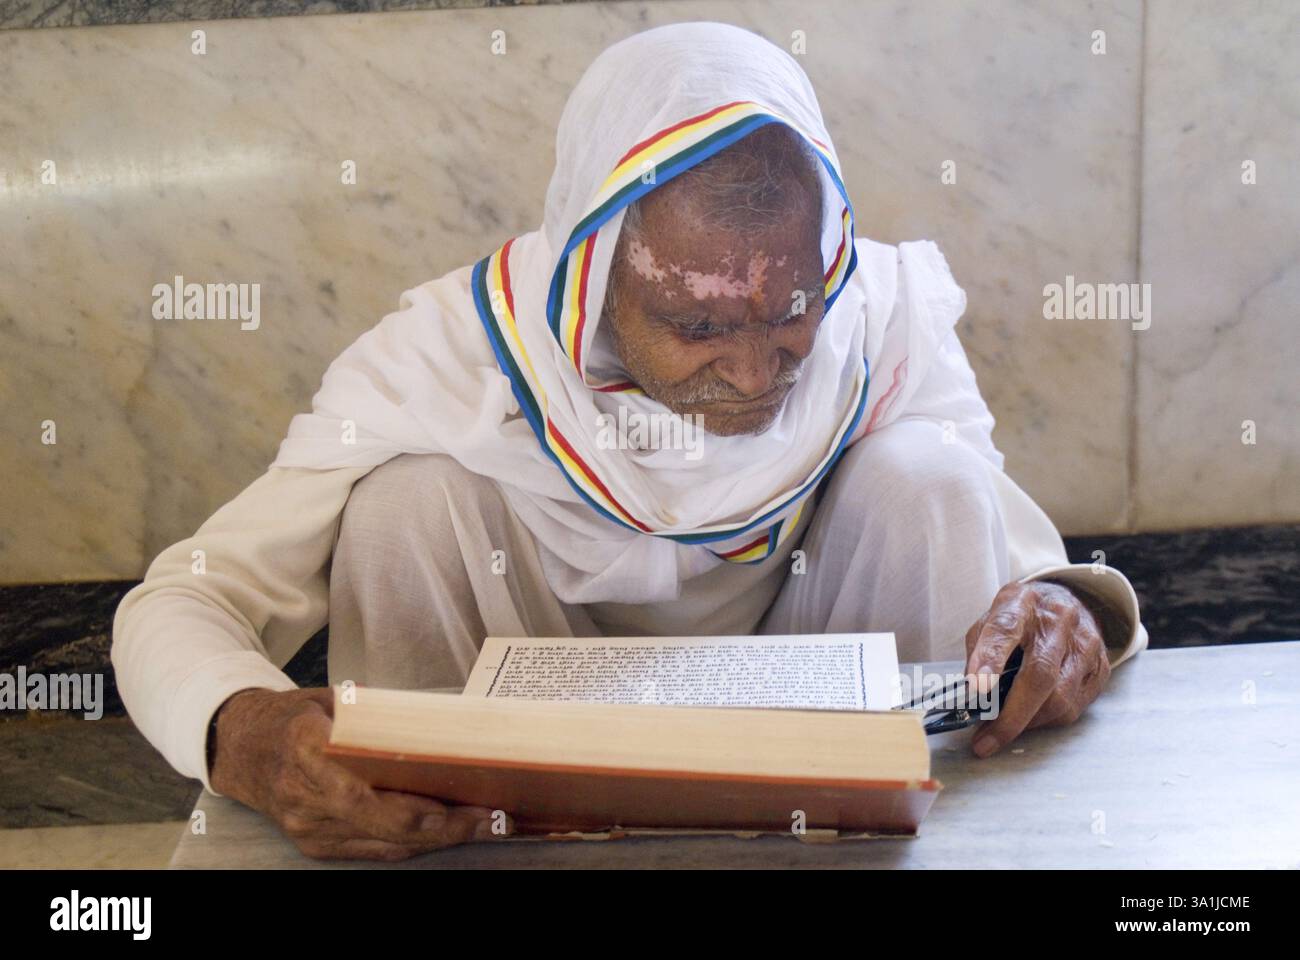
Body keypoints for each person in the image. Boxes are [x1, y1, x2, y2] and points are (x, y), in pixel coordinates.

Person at [112, 21, 1148, 861]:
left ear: (825, 252)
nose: (752, 372)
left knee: (929, 479)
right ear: (594, 272)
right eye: (697, 326)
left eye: (789, 313)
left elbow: (1029, 567)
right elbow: (186, 598)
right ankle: (416, 836)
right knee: (404, 505)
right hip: (499, 763)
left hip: (819, 722)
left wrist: (1061, 615)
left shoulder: (879, 313)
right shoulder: (449, 355)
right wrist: (242, 733)